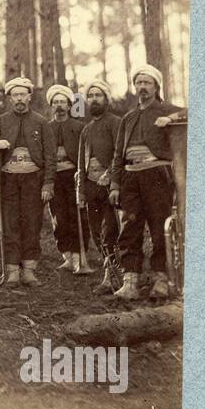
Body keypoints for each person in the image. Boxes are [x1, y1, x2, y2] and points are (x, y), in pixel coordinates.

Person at [109, 63, 183, 300]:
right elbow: (118, 153)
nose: (142, 87)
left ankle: (162, 279)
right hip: (130, 176)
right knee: (130, 228)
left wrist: (170, 118)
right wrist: (115, 184)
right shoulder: (128, 117)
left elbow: (193, 113)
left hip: (156, 176)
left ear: (156, 86)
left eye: (147, 83)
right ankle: (131, 281)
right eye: (139, 83)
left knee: (159, 226)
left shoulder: (166, 109)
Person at [0, 76, 54, 286]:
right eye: (15, 94)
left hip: (34, 179)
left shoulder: (41, 122)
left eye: (23, 94)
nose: (19, 98)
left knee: (32, 222)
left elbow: (50, 157)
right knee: (9, 223)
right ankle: (12, 271)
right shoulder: (1, 121)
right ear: (10, 98)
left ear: (29, 96)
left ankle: (29, 271)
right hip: (8, 180)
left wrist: (48, 183)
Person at [78, 77, 121, 291]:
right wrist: (82, 191)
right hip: (91, 185)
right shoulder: (86, 130)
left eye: (98, 95)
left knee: (110, 230)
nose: (94, 99)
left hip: (109, 185)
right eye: (91, 96)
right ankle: (109, 272)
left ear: (106, 98)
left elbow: (119, 153)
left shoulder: (115, 123)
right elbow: (81, 161)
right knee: (96, 231)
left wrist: (111, 176)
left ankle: (112, 275)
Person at [44, 83, 86, 273]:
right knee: (58, 216)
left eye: (63, 102)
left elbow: (85, 152)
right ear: (51, 106)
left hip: (74, 176)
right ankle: (67, 256)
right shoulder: (46, 127)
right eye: (55, 102)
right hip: (54, 176)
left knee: (76, 215)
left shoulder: (79, 127)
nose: (59, 105)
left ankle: (79, 257)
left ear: (69, 106)